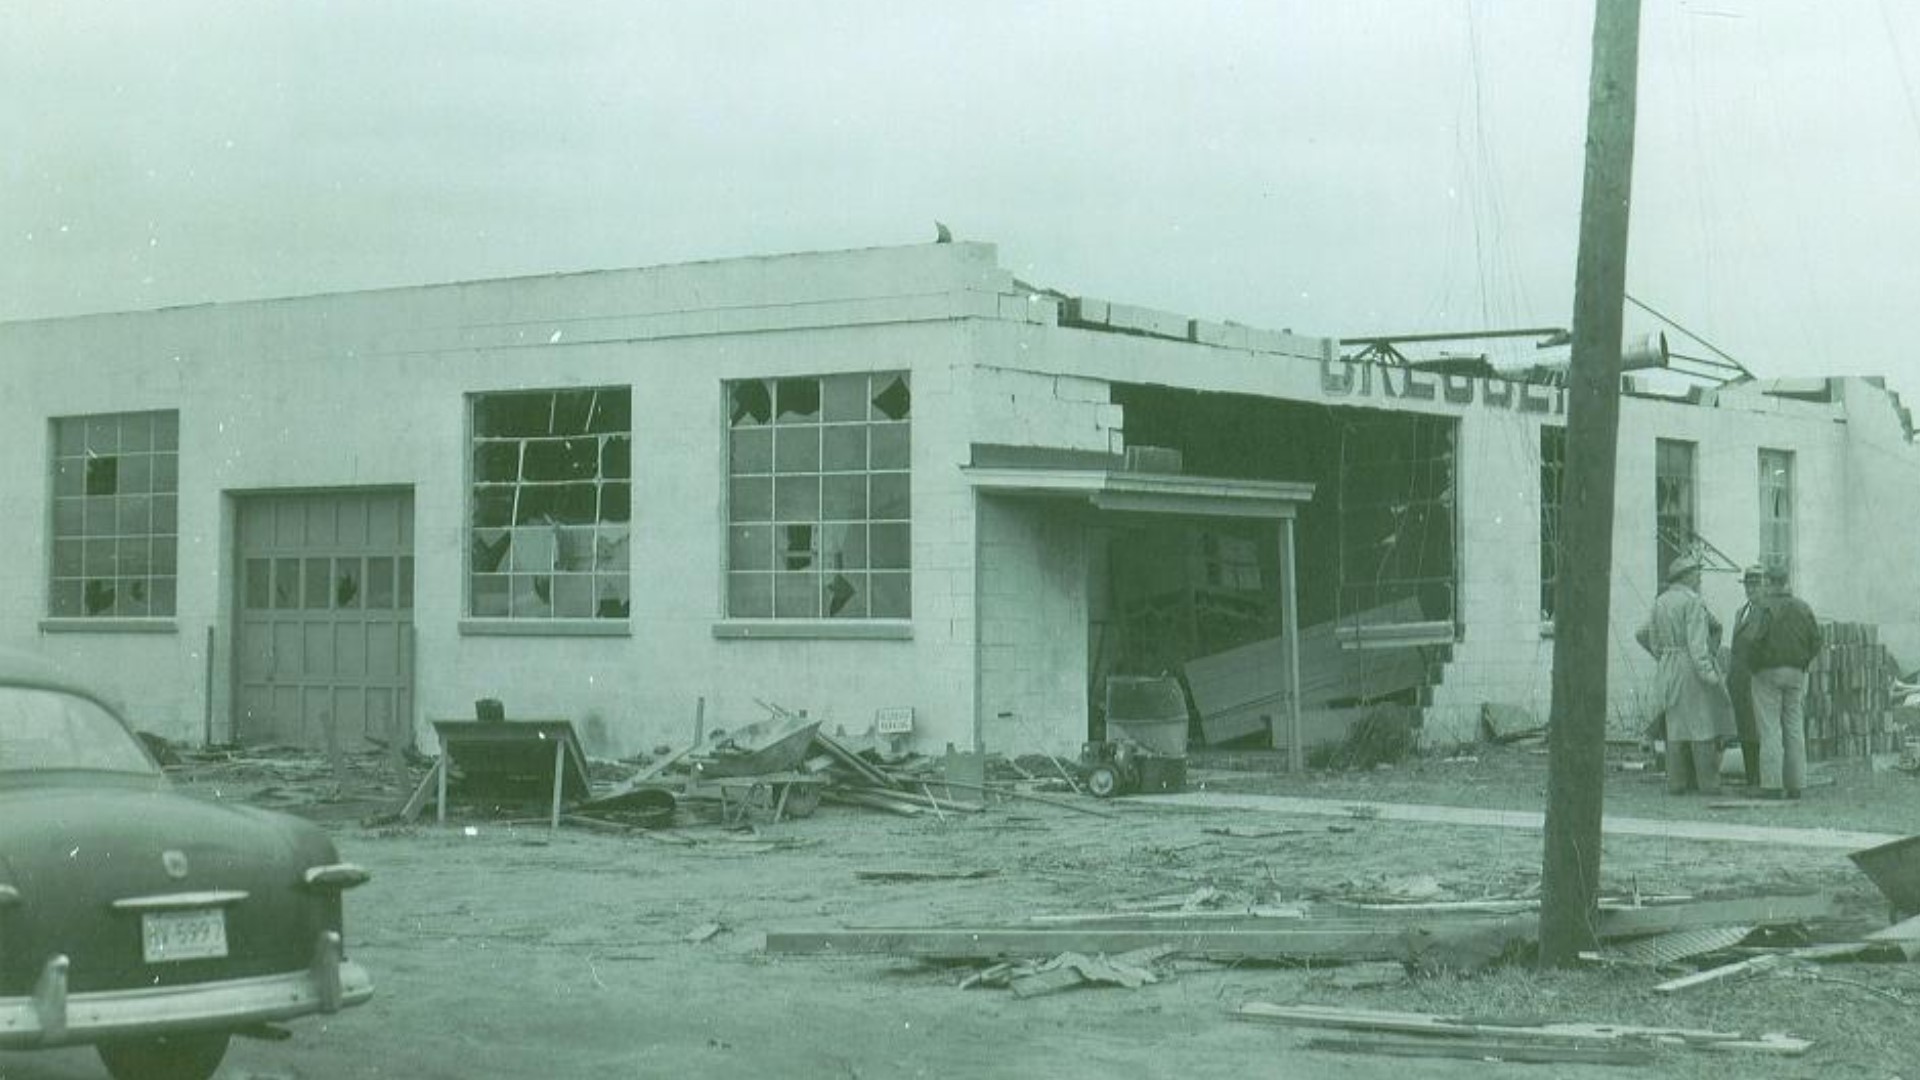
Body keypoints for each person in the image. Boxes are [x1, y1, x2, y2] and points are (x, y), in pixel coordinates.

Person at [1636, 554, 1725, 795]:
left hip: (1668, 665)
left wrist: (1664, 657)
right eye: (1696, 573)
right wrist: (1709, 675)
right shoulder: (1693, 601)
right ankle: (1708, 784)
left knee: (1675, 726)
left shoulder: (1660, 602)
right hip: (1690, 667)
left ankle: (1676, 783)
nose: (1699, 577)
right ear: (1685, 577)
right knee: (1701, 725)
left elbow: (1646, 636)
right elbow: (1697, 645)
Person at [1740, 565, 1824, 799]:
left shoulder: (1762, 608)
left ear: (1768, 582)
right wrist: (1802, 662)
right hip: (1796, 673)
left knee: (1770, 729)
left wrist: (1754, 667)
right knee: (1794, 727)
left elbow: (1750, 641)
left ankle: (1772, 785)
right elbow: (1817, 640)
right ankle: (1796, 784)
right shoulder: (1802, 607)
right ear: (1787, 582)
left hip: (1766, 673)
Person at [1726, 565, 1767, 787]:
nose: (1751, 590)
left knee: (1757, 729)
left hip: (1756, 678)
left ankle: (1759, 777)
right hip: (1739, 680)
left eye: (1755, 585)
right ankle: (1752, 777)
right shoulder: (1741, 612)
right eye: (1748, 585)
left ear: (1764, 586)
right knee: (1744, 729)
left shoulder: (1767, 612)